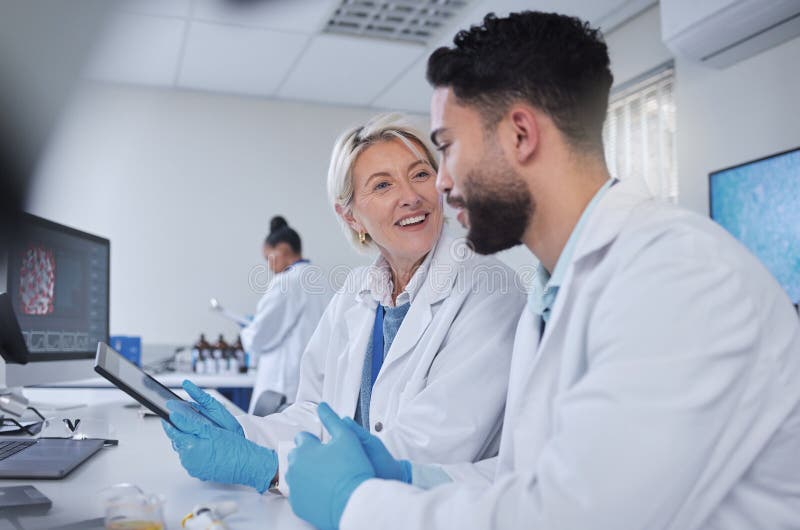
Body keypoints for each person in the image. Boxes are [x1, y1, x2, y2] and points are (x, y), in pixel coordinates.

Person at [284, 11, 800, 530]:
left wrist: (354, 504)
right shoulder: (555, 293)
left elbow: (577, 516)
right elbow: (532, 479)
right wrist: (408, 477)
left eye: (446, 147)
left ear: (520, 135)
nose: (438, 182)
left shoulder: (678, 279)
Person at [161, 113, 525, 495]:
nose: (411, 196)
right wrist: (247, 432)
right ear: (351, 216)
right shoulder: (355, 293)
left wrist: (274, 468)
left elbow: (426, 449)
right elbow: (315, 414)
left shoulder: (486, 288)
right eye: (383, 185)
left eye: (420, 175)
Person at [241, 216, 329, 413]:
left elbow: (260, 336)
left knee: (273, 437)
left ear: (282, 249)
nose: (269, 266)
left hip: (281, 382)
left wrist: (247, 331)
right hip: (312, 379)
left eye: (268, 258)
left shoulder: (286, 281)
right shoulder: (319, 277)